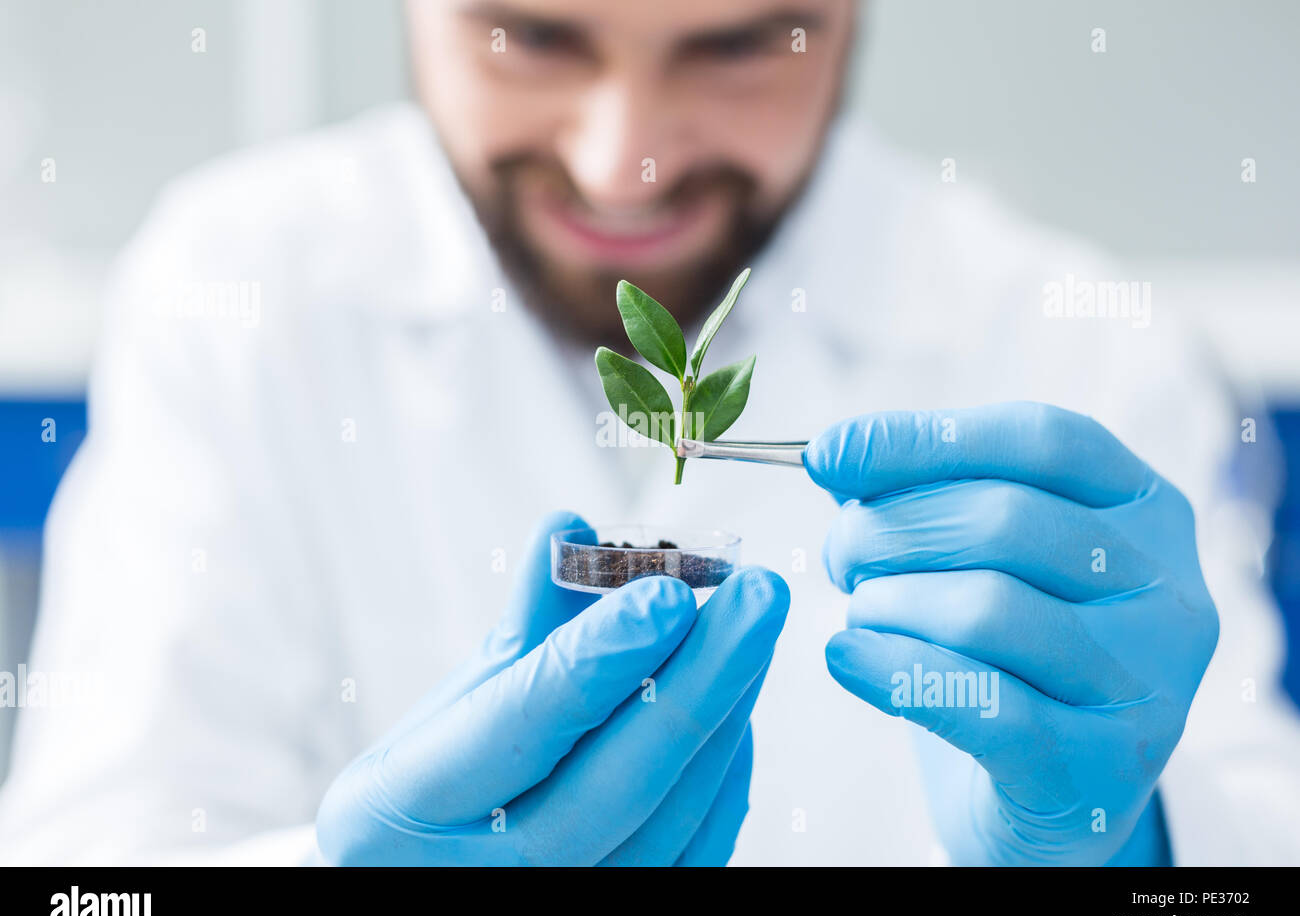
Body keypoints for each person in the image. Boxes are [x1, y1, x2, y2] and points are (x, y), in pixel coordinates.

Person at [1, 0, 1297, 865]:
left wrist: (1133, 843)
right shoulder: (235, 290)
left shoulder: (1079, 341)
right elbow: (94, 877)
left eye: (733, 44)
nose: (625, 163)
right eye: (532, 33)